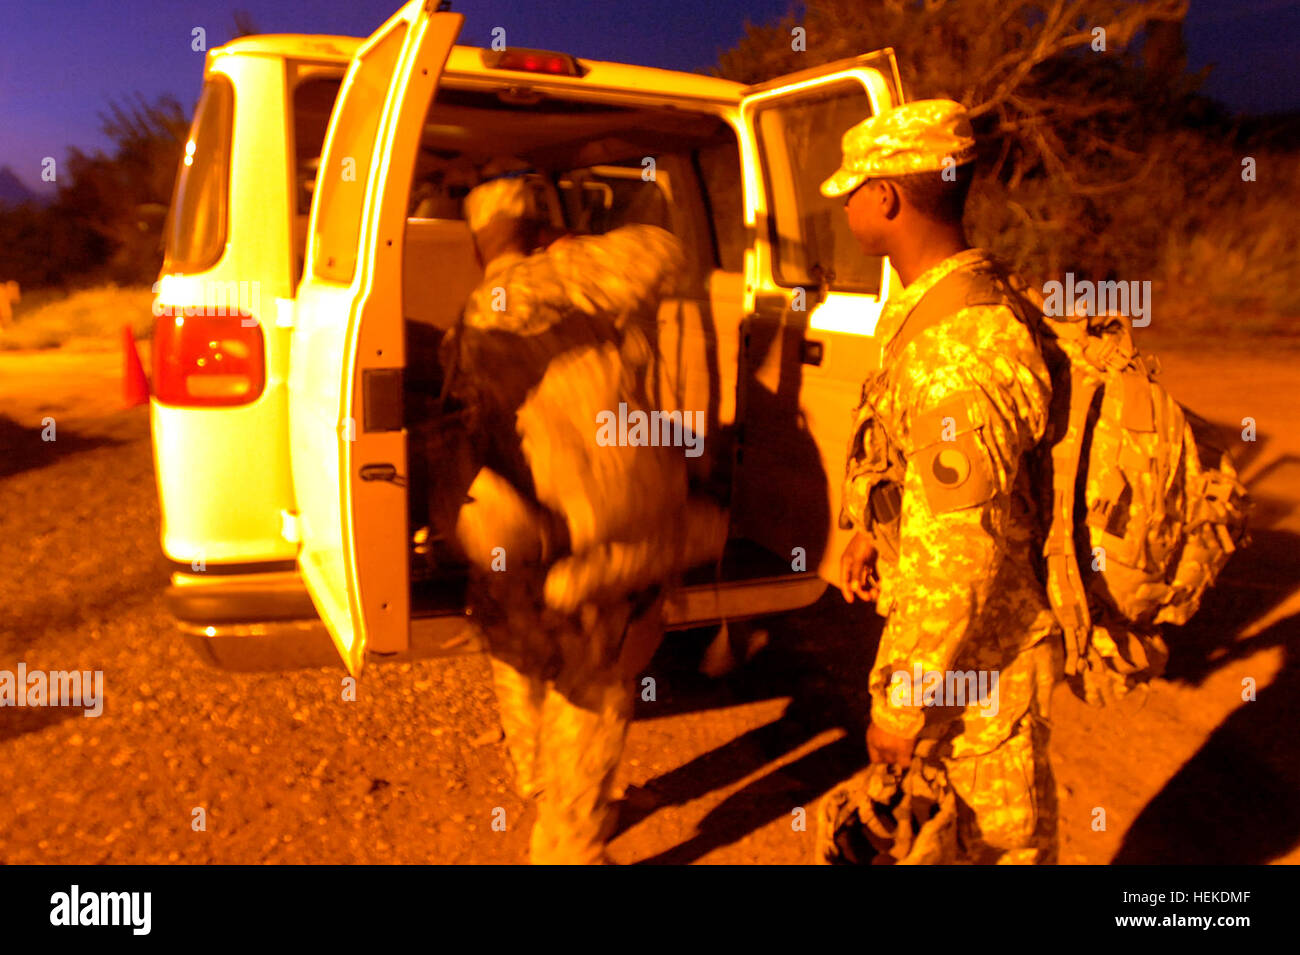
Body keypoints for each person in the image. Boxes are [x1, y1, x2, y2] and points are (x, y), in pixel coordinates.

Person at [423, 169, 724, 864]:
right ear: (537, 230)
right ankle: (572, 848)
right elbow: (661, 251)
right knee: (595, 698)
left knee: (521, 657)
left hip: (530, 537)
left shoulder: (470, 322)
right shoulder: (531, 291)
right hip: (589, 537)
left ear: (474, 244)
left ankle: (540, 784)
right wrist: (553, 254)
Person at [822, 100, 1063, 863]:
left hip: (982, 671)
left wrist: (902, 698)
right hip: (953, 659)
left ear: (886, 198)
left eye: (853, 190)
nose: (848, 206)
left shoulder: (961, 347)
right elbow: (918, 466)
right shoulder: (932, 309)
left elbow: (962, 546)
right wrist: (872, 526)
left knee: (998, 847)